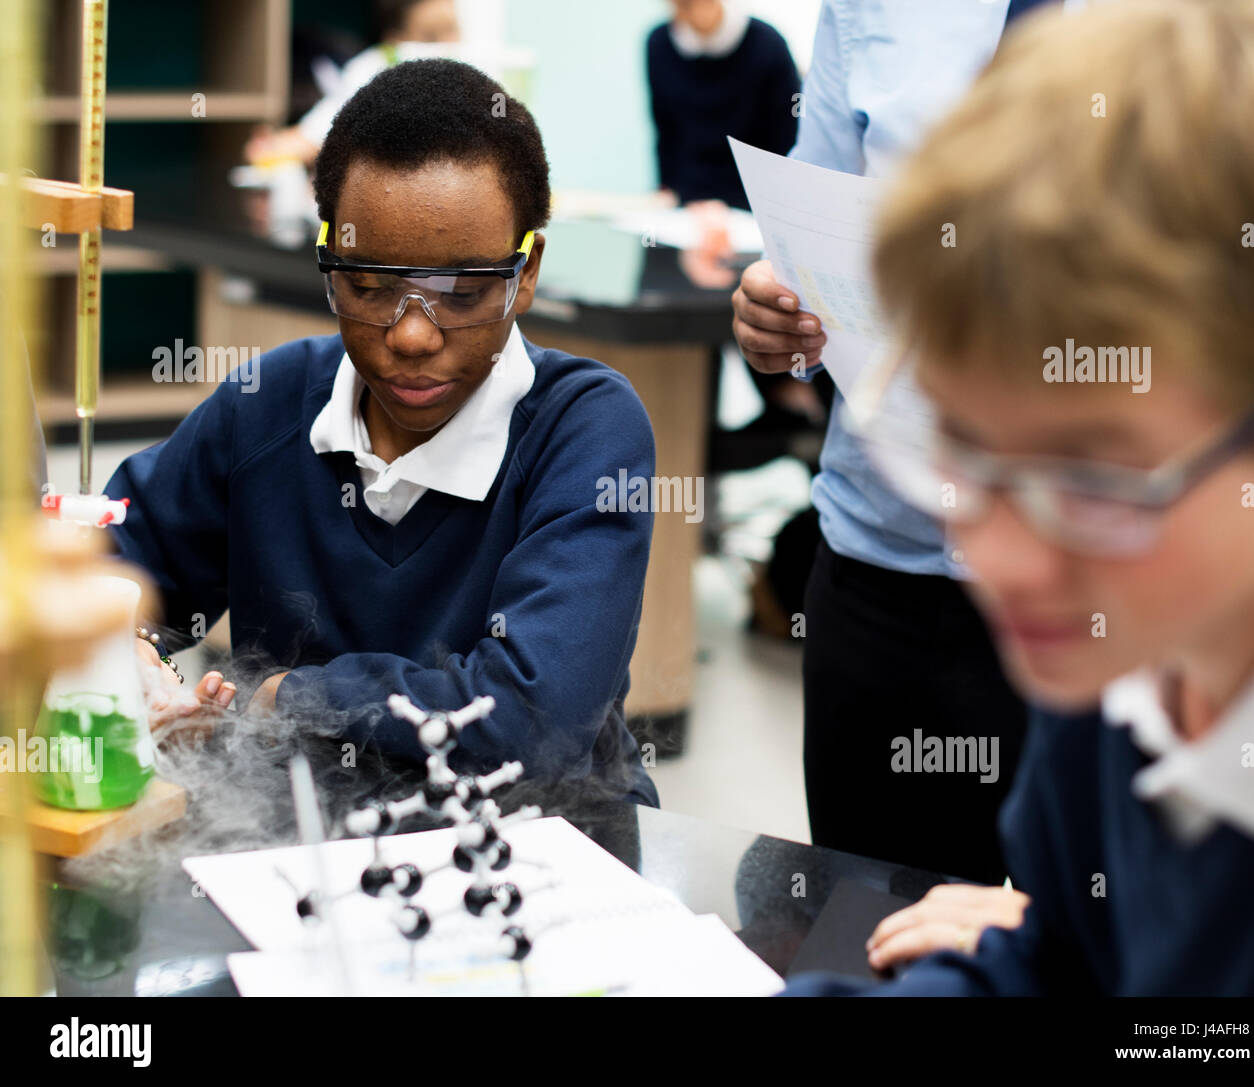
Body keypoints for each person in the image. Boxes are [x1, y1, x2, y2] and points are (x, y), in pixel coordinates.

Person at [789, 0, 1254, 995]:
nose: (1002, 563)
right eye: (960, 450)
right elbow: (1048, 958)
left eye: (1090, 478)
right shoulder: (1115, 672)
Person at [110, 59, 659, 806]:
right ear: (328, 266)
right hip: (303, 847)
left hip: (544, 849)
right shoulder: (268, 403)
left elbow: (532, 720)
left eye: (461, 293)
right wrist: (126, 649)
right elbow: (110, 565)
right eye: (367, 286)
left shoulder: (584, 428)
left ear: (526, 272)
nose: (409, 336)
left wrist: (284, 697)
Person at [731, 0, 1071, 886]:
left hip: (1101, 586)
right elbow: (810, 222)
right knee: (865, 923)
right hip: (882, 567)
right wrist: (777, 303)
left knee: (1090, 946)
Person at [244, 0, 462, 168]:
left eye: (453, 31)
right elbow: (317, 133)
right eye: (430, 38)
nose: (447, 47)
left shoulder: (485, 73)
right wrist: (272, 149)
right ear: (393, 39)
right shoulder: (373, 68)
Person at [646, 0, 801, 211]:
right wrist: (669, 194)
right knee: (652, 240)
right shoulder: (659, 45)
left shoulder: (768, 44)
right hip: (688, 204)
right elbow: (665, 132)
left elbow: (787, 139)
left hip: (756, 202)